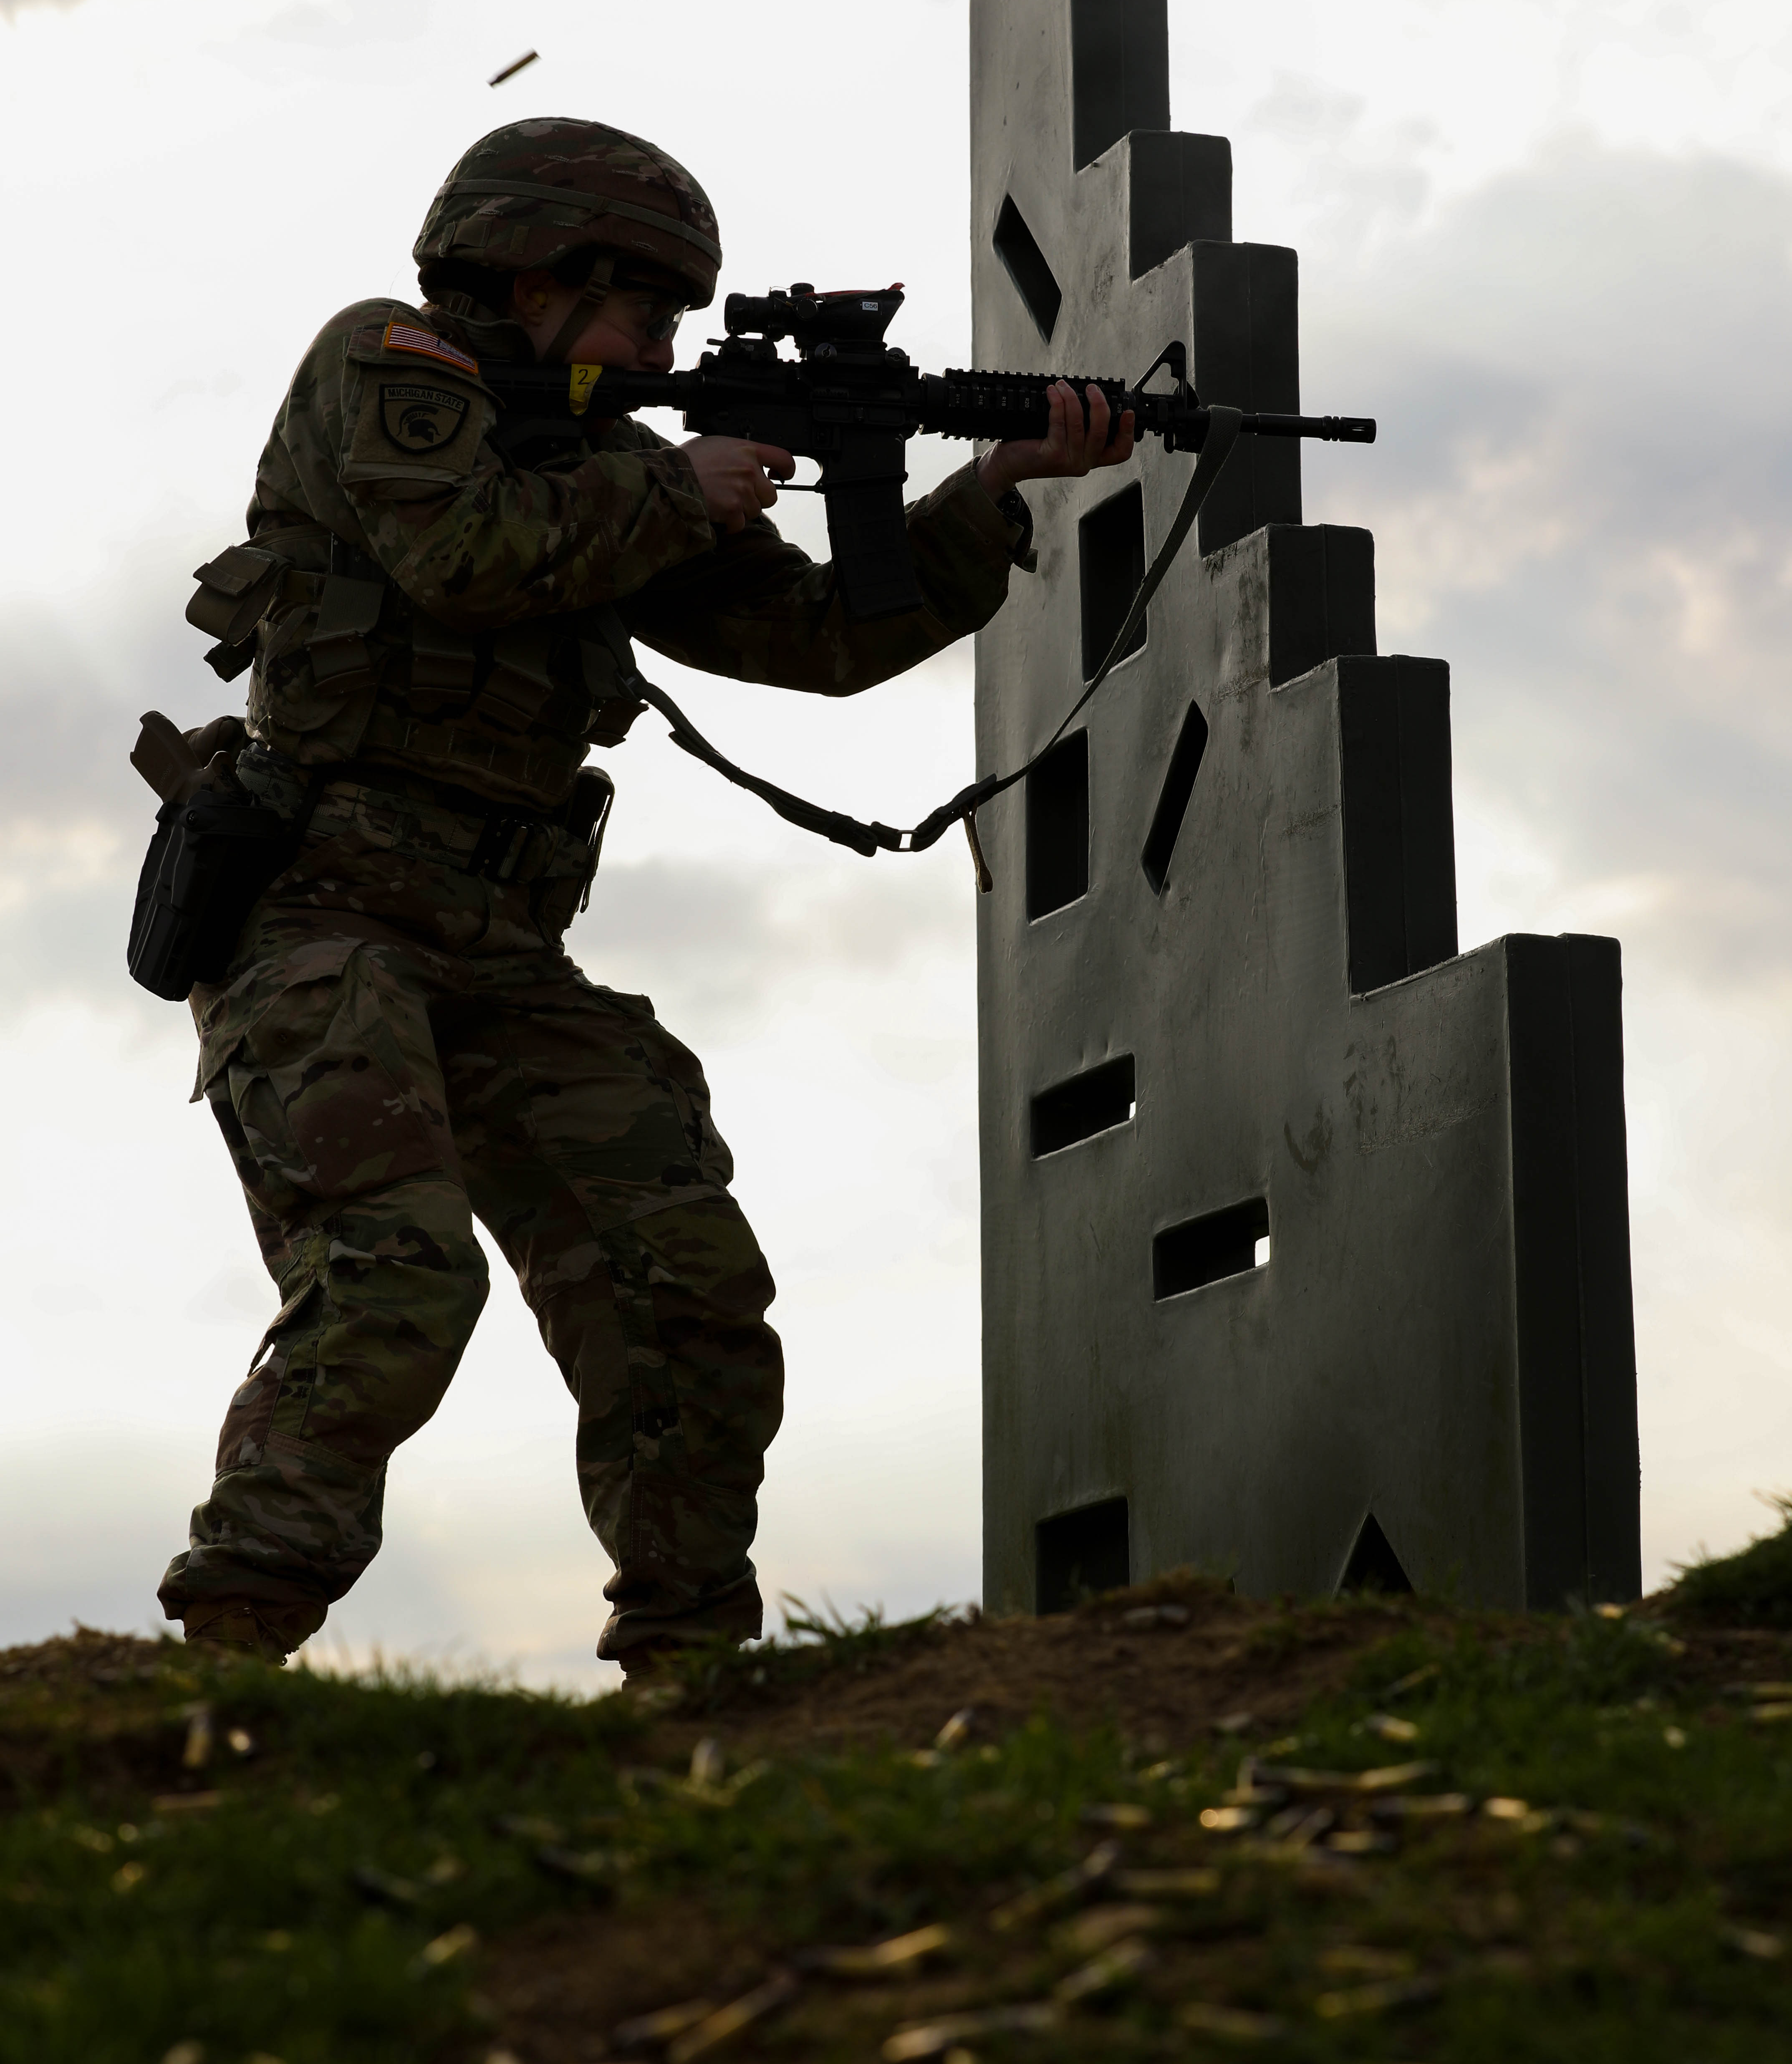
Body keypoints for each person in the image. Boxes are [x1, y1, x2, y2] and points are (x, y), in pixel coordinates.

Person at [156, 117, 1133, 1670]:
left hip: (506, 942)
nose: (666, 343)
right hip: (321, 910)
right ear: (541, 274)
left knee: (683, 1285)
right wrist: (683, 489)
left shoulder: (614, 462)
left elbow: (817, 639)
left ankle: (692, 1667)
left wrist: (999, 482)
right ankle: (231, 1647)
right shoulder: (392, 363)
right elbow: (459, 554)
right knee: (392, 1268)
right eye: (647, 309)